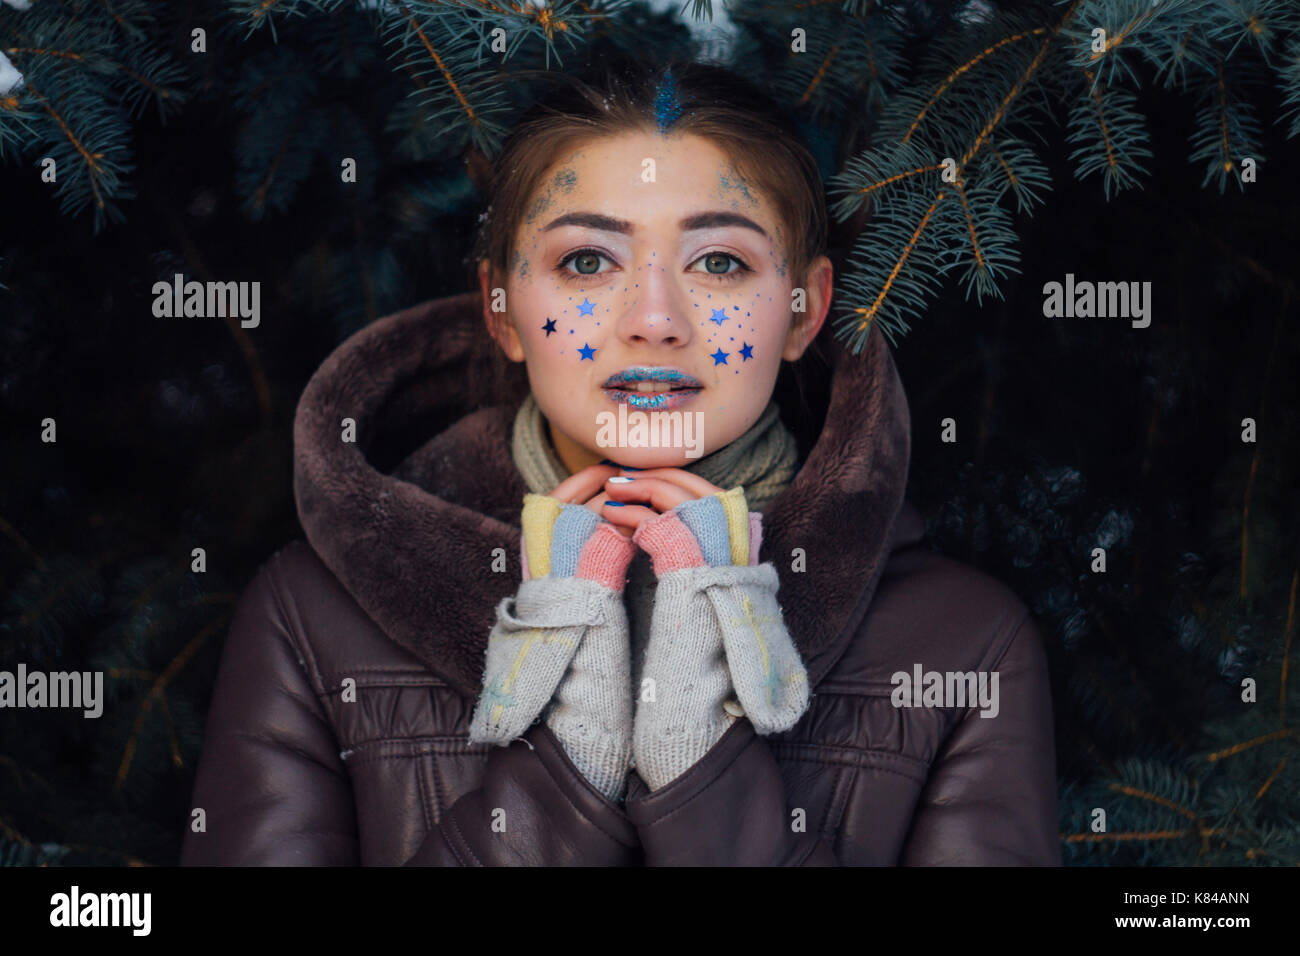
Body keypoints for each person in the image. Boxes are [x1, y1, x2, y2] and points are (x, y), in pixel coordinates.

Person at [180, 58, 1060, 866]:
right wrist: (563, 778)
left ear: (804, 310)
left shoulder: (966, 646)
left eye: (718, 261)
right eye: (588, 260)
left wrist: (699, 770)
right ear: (501, 308)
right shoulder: (311, 616)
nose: (653, 318)